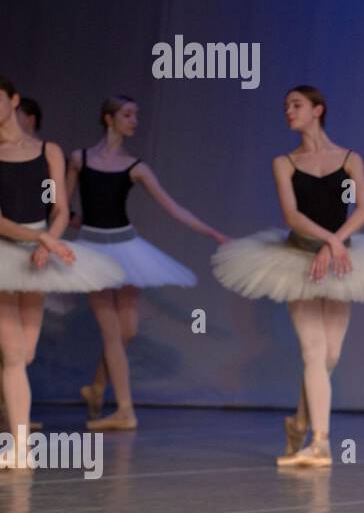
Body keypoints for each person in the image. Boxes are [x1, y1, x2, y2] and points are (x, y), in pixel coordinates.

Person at [212, 86, 364, 466]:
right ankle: (320, 444)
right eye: (286, 107)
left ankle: (298, 421)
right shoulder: (285, 162)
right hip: (299, 259)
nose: (288, 112)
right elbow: (292, 216)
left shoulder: (348, 159)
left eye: (296, 105)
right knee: (313, 352)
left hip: (340, 257)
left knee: (330, 355)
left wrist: (335, 244)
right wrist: (328, 242)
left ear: (317, 110)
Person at [67, 94, 228, 431]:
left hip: (126, 246)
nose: (134, 121)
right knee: (112, 333)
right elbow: (57, 201)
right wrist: (68, 221)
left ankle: (96, 386)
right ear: (109, 118)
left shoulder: (136, 166)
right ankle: (125, 410)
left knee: (128, 330)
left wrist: (210, 231)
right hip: (93, 249)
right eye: (128, 115)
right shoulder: (79, 159)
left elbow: (172, 207)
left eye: (136, 116)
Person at [0, 78, 125, 468]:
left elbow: (56, 205)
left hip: (39, 252)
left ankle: (15, 436)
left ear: (14, 100)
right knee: (14, 354)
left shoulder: (46, 151)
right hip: (5, 252)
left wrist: (49, 239)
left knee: (27, 351)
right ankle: (19, 448)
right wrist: (45, 243)